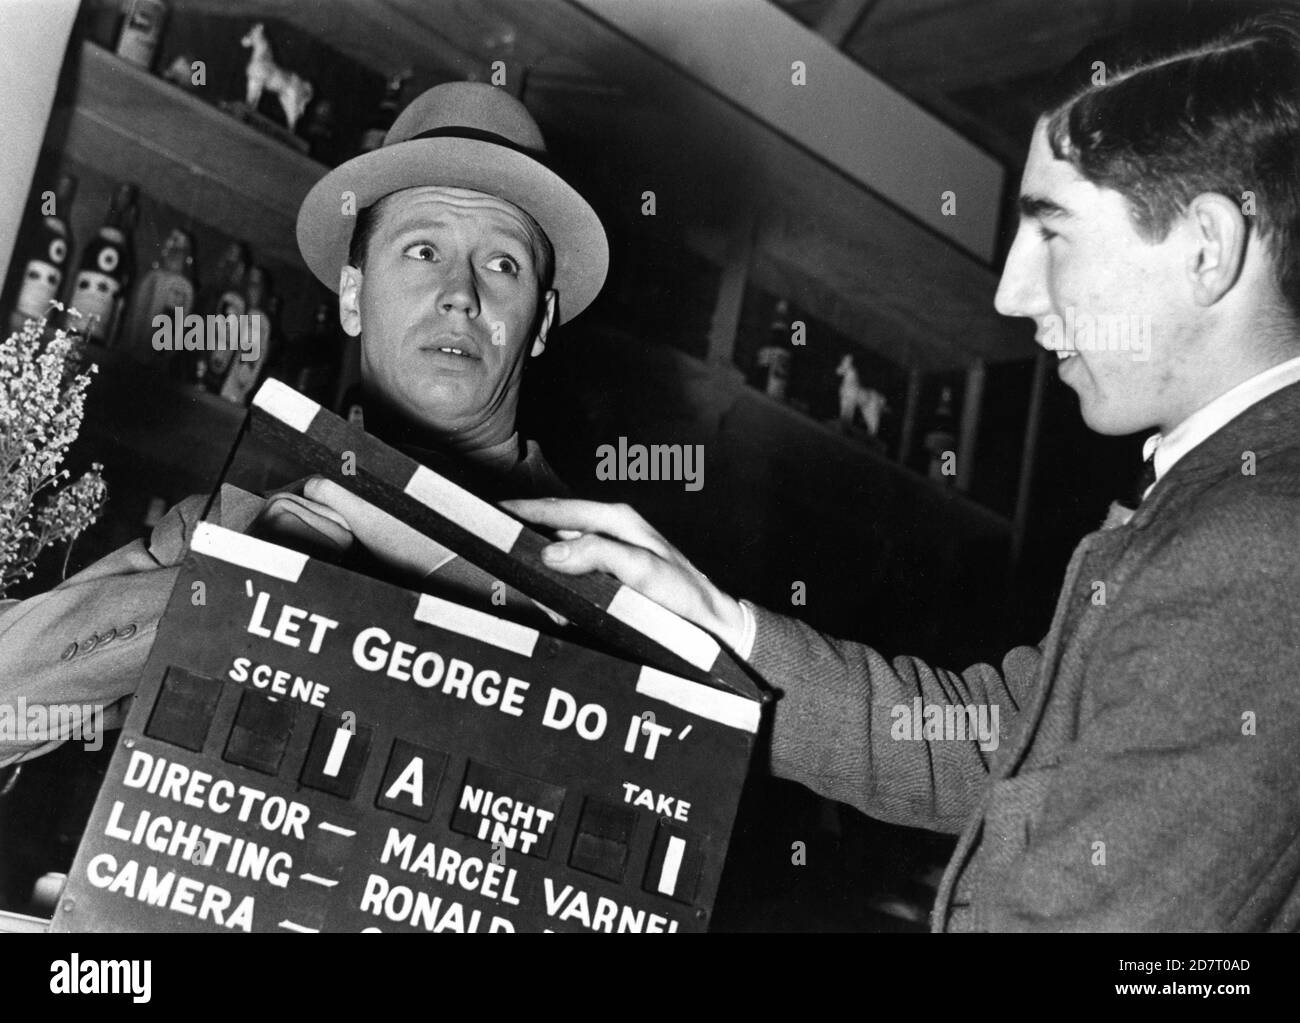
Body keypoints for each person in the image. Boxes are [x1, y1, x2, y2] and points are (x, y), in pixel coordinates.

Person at [504, 12, 1300, 931]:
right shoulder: (1225, 499)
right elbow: (996, 739)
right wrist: (721, 628)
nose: (1012, 294)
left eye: (1052, 232)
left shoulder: (1256, 541)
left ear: (1207, 247)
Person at [0, 82, 608, 768]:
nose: (461, 295)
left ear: (542, 324)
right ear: (352, 296)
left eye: (503, 263)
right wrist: (248, 584)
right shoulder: (227, 526)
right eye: (422, 251)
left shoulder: (612, 577)